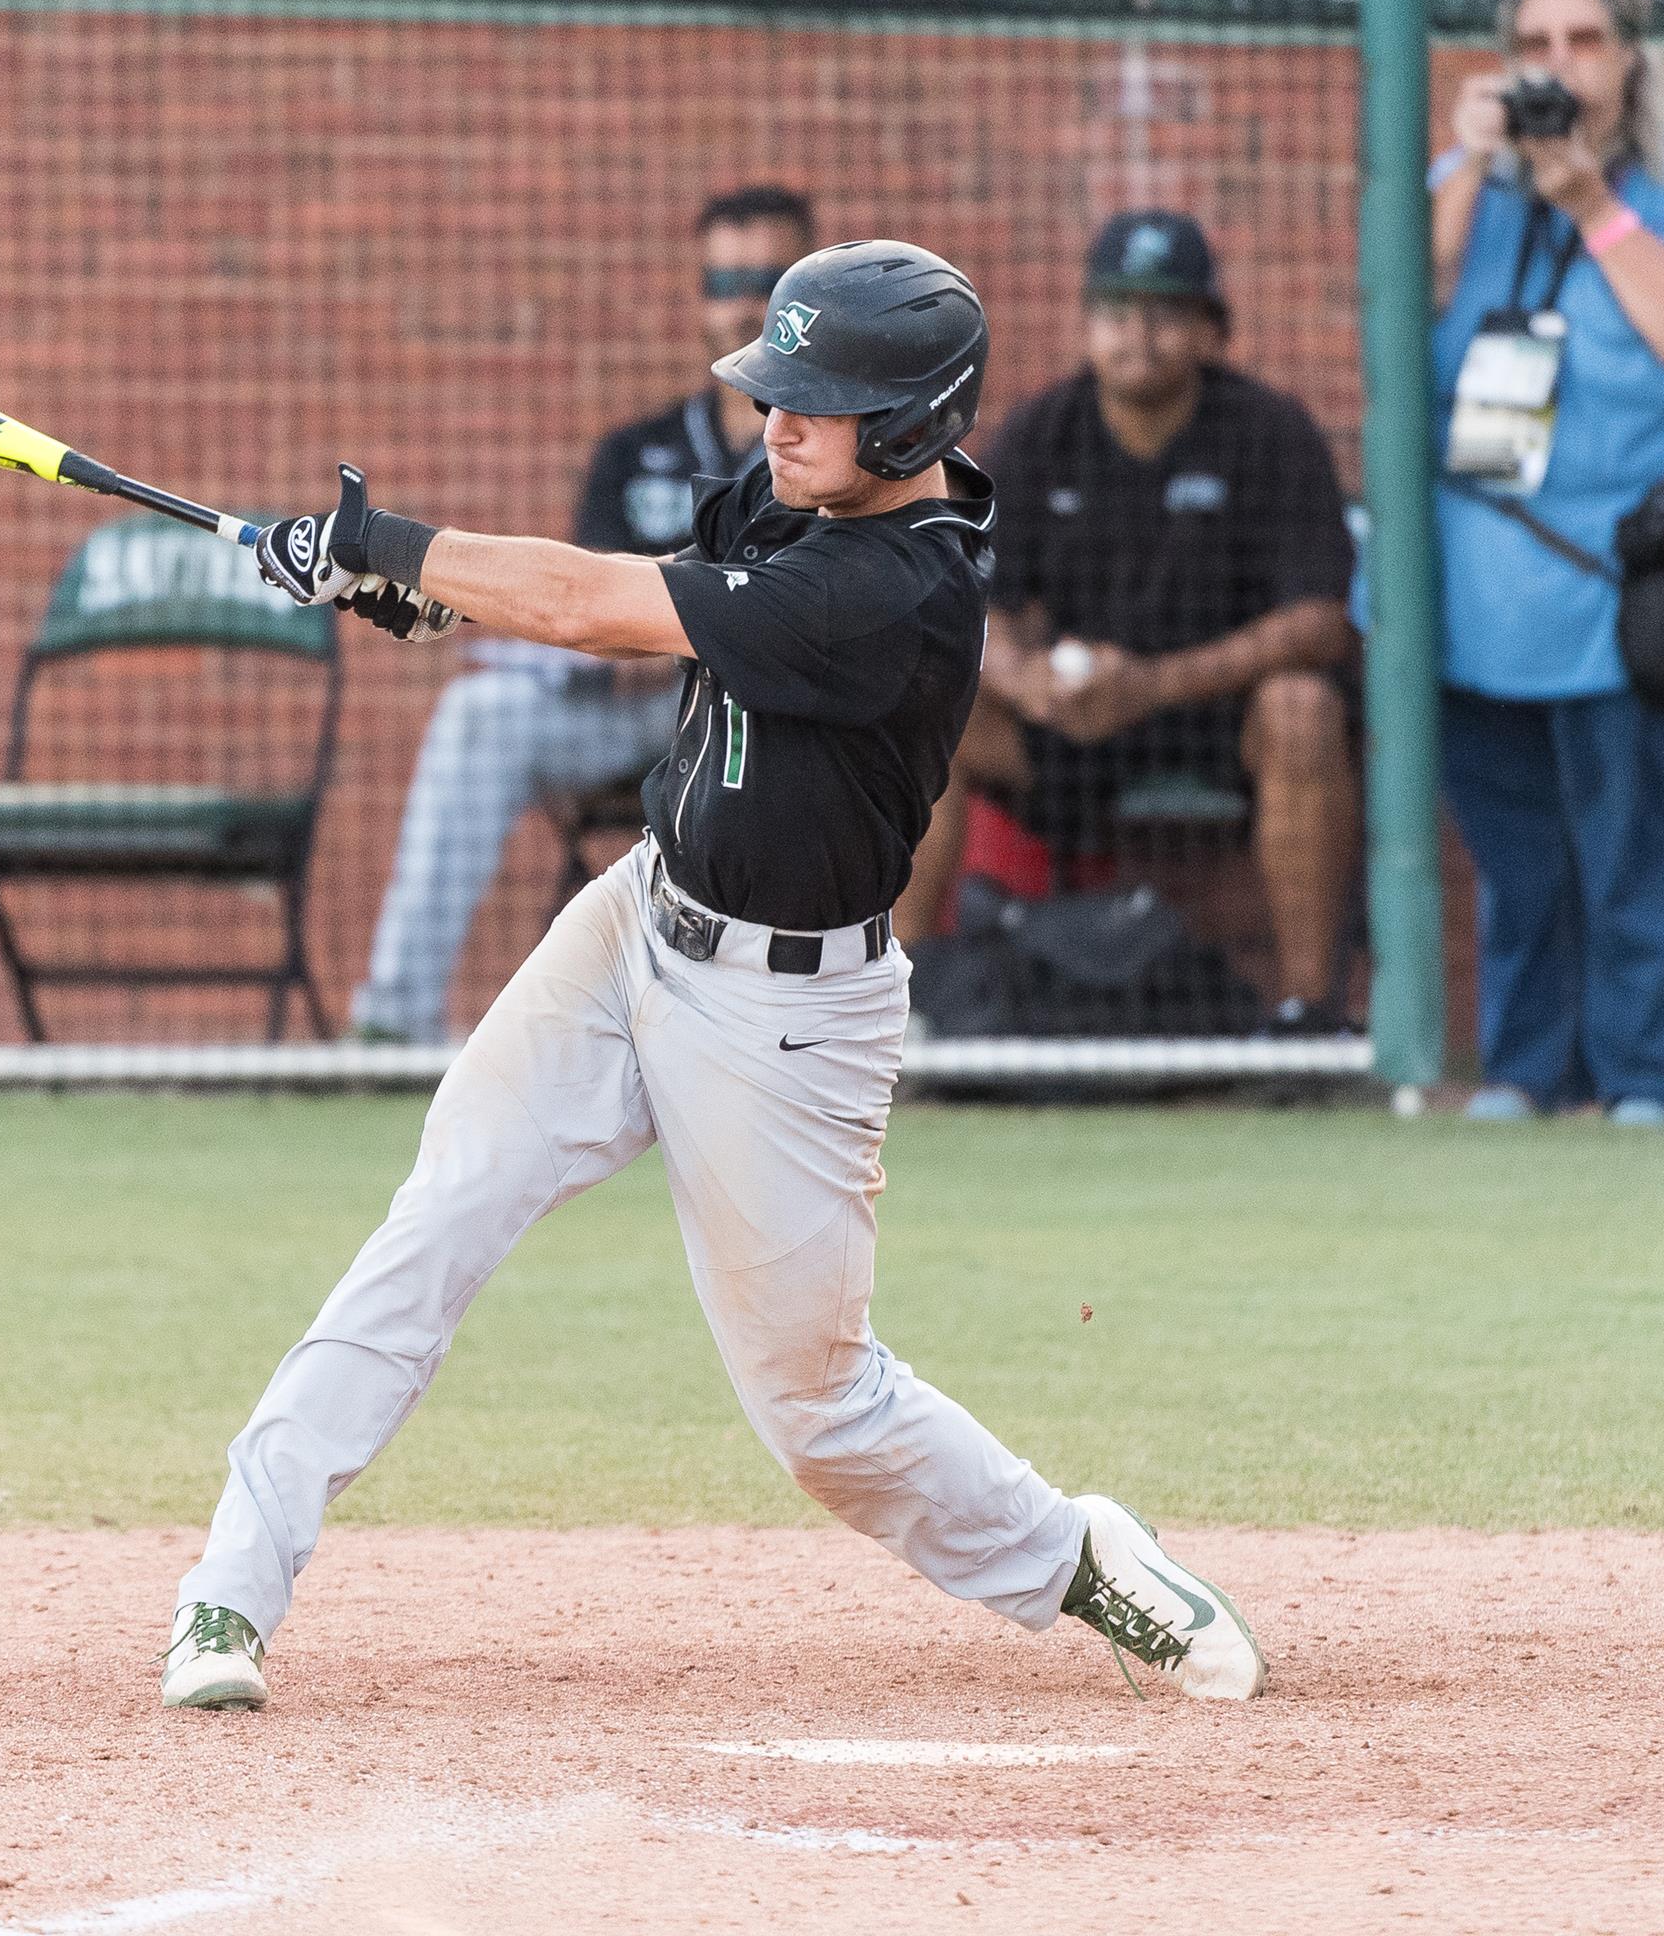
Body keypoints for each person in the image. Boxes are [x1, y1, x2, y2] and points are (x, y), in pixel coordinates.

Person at [161, 241, 1266, 1716]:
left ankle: (1078, 1557)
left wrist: (388, 546)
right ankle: (229, 1594)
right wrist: (426, 598)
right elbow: (627, 599)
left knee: (819, 1416)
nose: (778, 424)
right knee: (437, 1221)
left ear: (918, 424)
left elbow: (587, 604)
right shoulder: (798, 487)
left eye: (815, 403)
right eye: (775, 394)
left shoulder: (894, 591)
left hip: (786, 1019)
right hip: (635, 919)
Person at [1429, 0, 1664, 1124]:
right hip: (1481, 598)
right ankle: (1528, 1072)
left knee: (1643, 858)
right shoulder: (1461, 188)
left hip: (1636, 596)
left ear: (1635, 58)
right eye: (1534, 44)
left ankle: (1647, 1084)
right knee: (1520, 863)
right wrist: (1471, 175)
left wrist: (1591, 201)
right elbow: (1398, 323)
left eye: (1585, 42)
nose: (1559, 68)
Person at [346, 186, 813, 1045]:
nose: (744, 301)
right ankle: (394, 1020)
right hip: (638, 700)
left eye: (770, 281)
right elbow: (593, 590)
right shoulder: (635, 450)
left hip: (773, 713)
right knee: (480, 713)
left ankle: (857, 1017)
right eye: (726, 280)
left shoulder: (832, 448)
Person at [895, 211, 1359, 1031]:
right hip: (1075, 719)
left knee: (1304, 707)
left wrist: (1154, 685)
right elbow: (957, 593)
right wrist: (1025, 680)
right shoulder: (1042, 432)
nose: (1138, 335)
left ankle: (1308, 1014)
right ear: (1085, 326)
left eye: (1166, 312)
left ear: (1213, 331)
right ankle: (893, 1010)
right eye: (1116, 312)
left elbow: (1321, 623)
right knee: (922, 699)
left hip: (1215, 718)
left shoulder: (1270, 431)